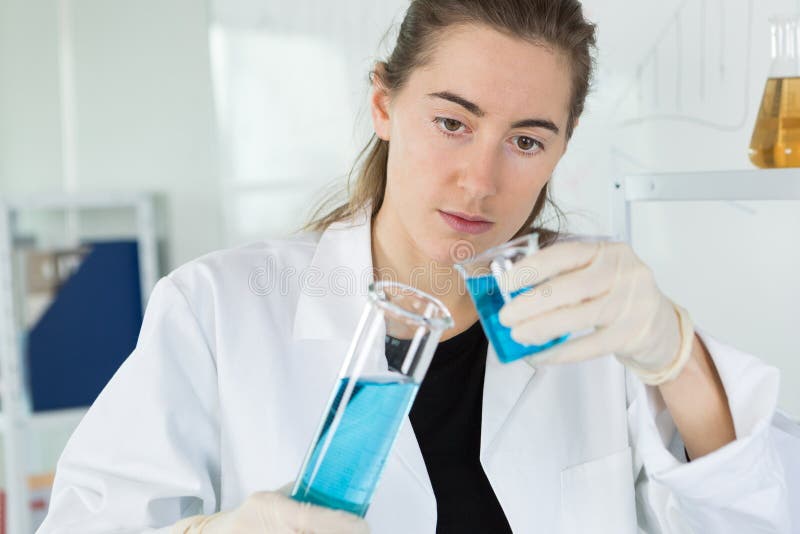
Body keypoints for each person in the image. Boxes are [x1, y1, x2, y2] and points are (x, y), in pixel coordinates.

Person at [39, 0, 794, 533]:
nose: (479, 179)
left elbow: (765, 516)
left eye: (526, 140)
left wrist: (675, 355)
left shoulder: (599, 319)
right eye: (451, 122)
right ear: (382, 105)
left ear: (560, 150)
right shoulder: (218, 308)